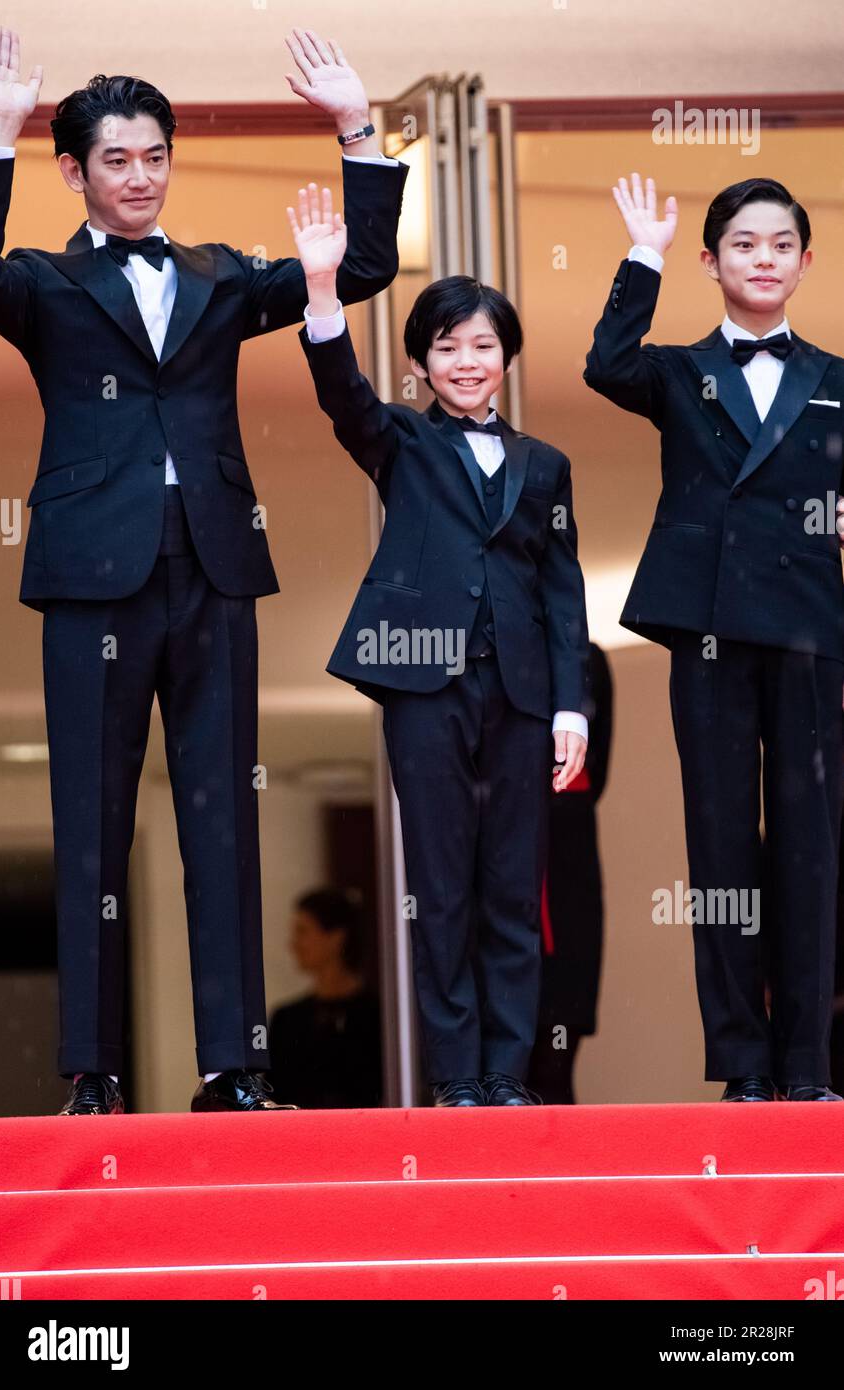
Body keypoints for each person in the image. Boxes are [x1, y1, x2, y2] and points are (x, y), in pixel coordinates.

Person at [0, 25, 408, 1114]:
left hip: (215, 569)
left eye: (154, 155)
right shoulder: (42, 284)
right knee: (92, 823)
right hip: (90, 580)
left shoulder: (220, 277)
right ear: (73, 171)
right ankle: (93, 1071)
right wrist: (1, 128)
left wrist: (356, 127)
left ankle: (235, 1065)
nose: (139, 176)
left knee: (223, 820)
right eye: (116, 159)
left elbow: (356, 269)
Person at [288, 188, 590, 1106]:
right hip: (424, 684)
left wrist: (571, 705)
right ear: (422, 361)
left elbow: (563, 591)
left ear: (505, 360)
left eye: (484, 345)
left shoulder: (546, 466)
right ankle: (456, 1078)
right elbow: (343, 398)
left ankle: (507, 1074)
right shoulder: (403, 441)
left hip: (526, 693)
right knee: (442, 886)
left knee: (511, 887)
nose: (468, 360)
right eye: (448, 345)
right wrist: (322, 290)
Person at [585, 171, 844, 1102]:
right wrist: (641, 255)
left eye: (780, 245)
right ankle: (741, 1064)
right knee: (720, 843)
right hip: (707, 628)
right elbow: (605, 365)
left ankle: (809, 1065)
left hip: (814, 633)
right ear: (713, 260)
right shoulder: (676, 371)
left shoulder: (838, 382)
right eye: (743, 244)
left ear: (805, 263)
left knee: (812, 847)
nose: (763, 259)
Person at [528, 642, 612, 1104]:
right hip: (507, 869)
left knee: (555, 1066)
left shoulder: (588, 662)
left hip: (567, 875)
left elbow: (595, 774)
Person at [267, 889, 382, 1109]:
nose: (294, 944)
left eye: (303, 932)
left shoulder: (376, 1015)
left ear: (336, 938)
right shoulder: (286, 1018)